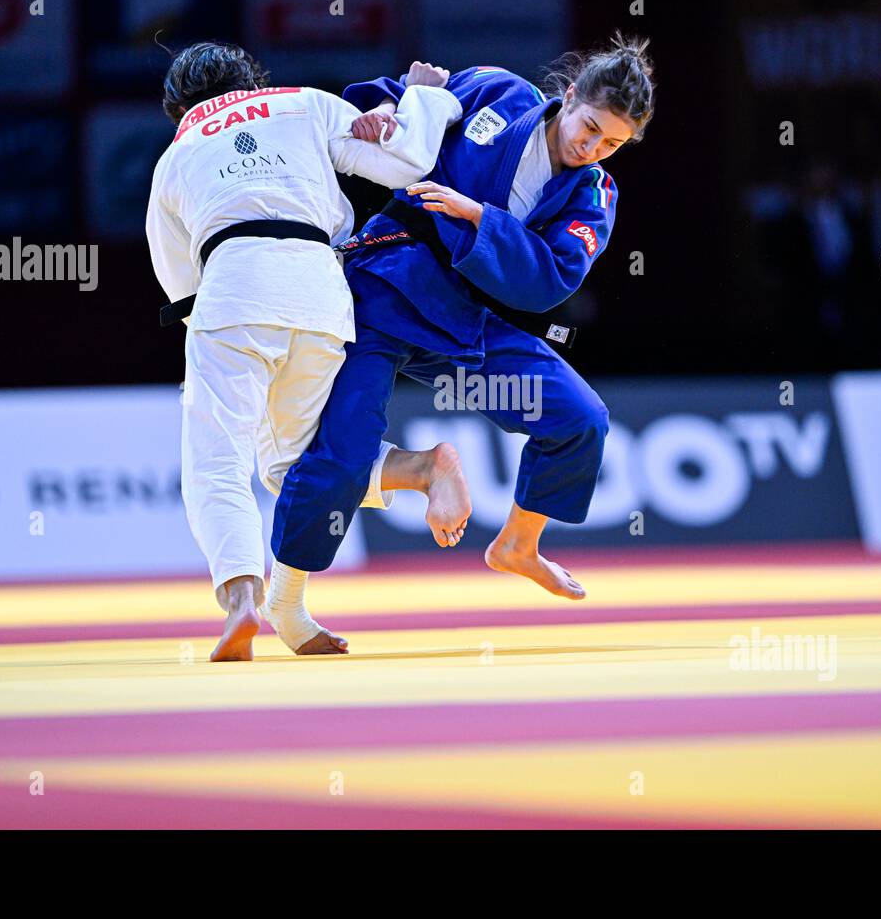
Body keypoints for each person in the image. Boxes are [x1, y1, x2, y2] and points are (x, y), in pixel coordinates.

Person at [262, 35, 656, 651]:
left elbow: (549, 280)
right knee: (339, 455)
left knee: (580, 419)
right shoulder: (496, 90)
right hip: (385, 290)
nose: (592, 148)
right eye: (590, 128)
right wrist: (385, 108)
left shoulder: (592, 193)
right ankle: (286, 604)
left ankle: (518, 544)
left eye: (612, 144)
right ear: (570, 96)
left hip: (464, 322)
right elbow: (401, 106)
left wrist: (479, 217)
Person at [145, 41, 462, 661]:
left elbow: (178, 282)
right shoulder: (305, 105)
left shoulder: (176, 156)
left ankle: (242, 600)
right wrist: (422, 97)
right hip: (320, 293)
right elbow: (410, 162)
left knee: (219, 462)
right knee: (297, 465)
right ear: (253, 78)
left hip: (234, 288)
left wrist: (215, 328)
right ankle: (421, 469)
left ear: (178, 105)